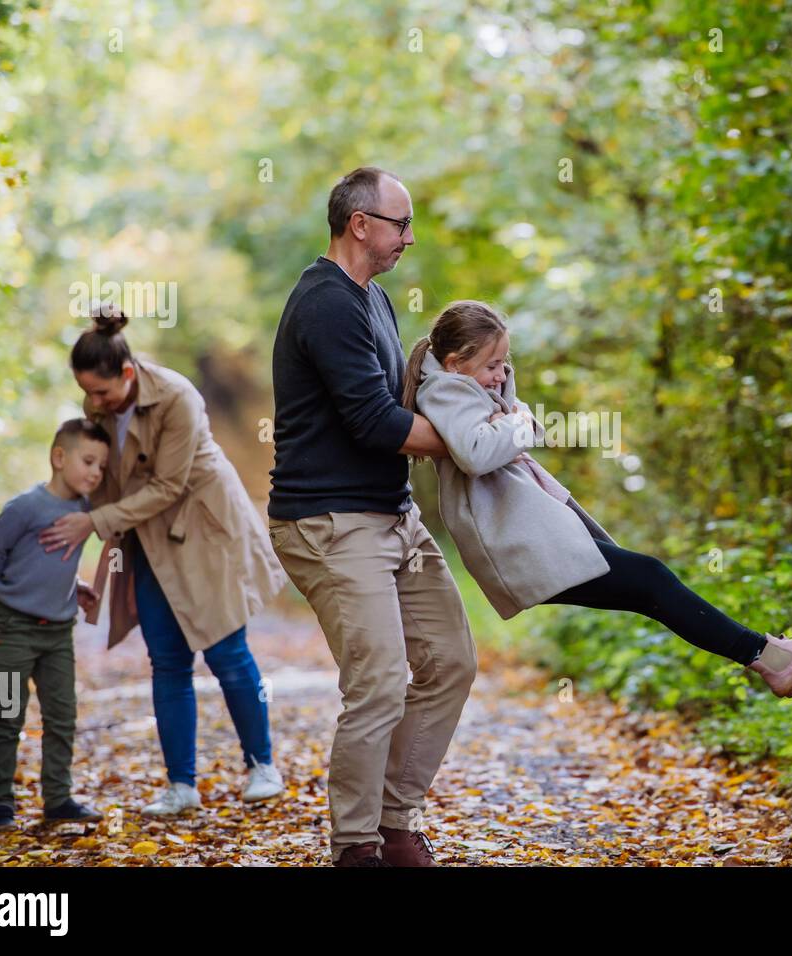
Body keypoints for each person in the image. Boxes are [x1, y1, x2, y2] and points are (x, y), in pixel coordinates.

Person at [403, 300, 792, 697]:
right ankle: (774, 659)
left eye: (506, 363)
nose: (502, 375)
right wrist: (521, 419)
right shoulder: (444, 389)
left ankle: (776, 661)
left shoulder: (464, 383)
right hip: (516, 542)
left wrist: (507, 395)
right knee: (650, 578)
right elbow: (477, 453)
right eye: (493, 366)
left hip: (530, 533)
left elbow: (494, 421)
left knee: (649, 590)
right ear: (456, 362)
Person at [268, 166, 476, 867]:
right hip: (330, 521)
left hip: (393, 515)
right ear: (360, 224)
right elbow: (374, 421)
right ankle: (356, 843)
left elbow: (404, 398)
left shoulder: (374, 299)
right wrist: (474, 442)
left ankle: (393, 818)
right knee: (380, 680)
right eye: (400, 223)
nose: (409, 238)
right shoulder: (324, 302)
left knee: (450, 660)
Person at [39, 305, 288, 816]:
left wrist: (94, 523)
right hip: (145, 541)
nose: (94, 401)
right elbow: (98, 483)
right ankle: (181, 785)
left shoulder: (176, 395)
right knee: (167, 660)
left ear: (127, 373)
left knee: (226, 650)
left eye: (102, 391)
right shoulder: (99, 412)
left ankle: (262, 765)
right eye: (87, 391)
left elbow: (169, 486)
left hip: (202, 531)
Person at [0, 418, 111, 829]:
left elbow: (51, 563)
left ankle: (57, 797)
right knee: (9, 714)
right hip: (15, 627)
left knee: (62, 715)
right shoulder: (26, 507)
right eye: (88, 461)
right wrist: (3, 590)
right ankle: (0, 804)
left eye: (102, 466)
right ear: (58, 457)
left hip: (58, 632)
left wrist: (76, 584)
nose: (95, 472)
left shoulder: (87, 511)